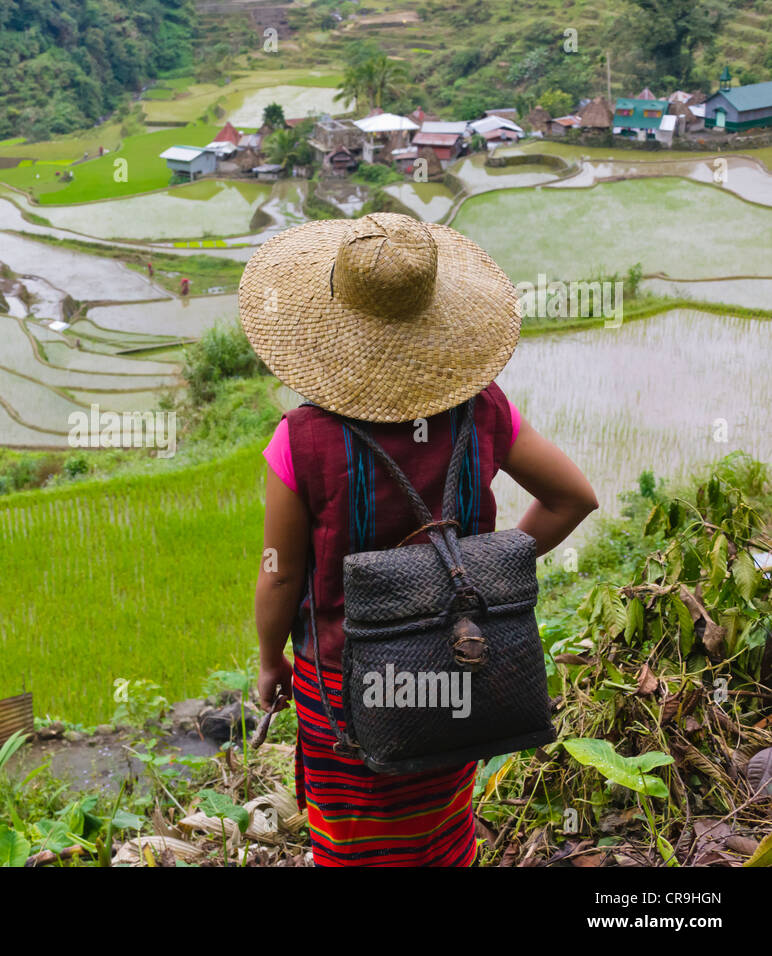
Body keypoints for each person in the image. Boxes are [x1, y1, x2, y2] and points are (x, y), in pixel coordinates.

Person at [240, 213, 598, 867]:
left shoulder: (302, 439)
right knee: (440, 826)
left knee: (356, 838)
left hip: (345, 685)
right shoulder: (485, 410)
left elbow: (281, 574)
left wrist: (269, 662)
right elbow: (573, 497)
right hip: (461, 660)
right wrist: (481, 571)